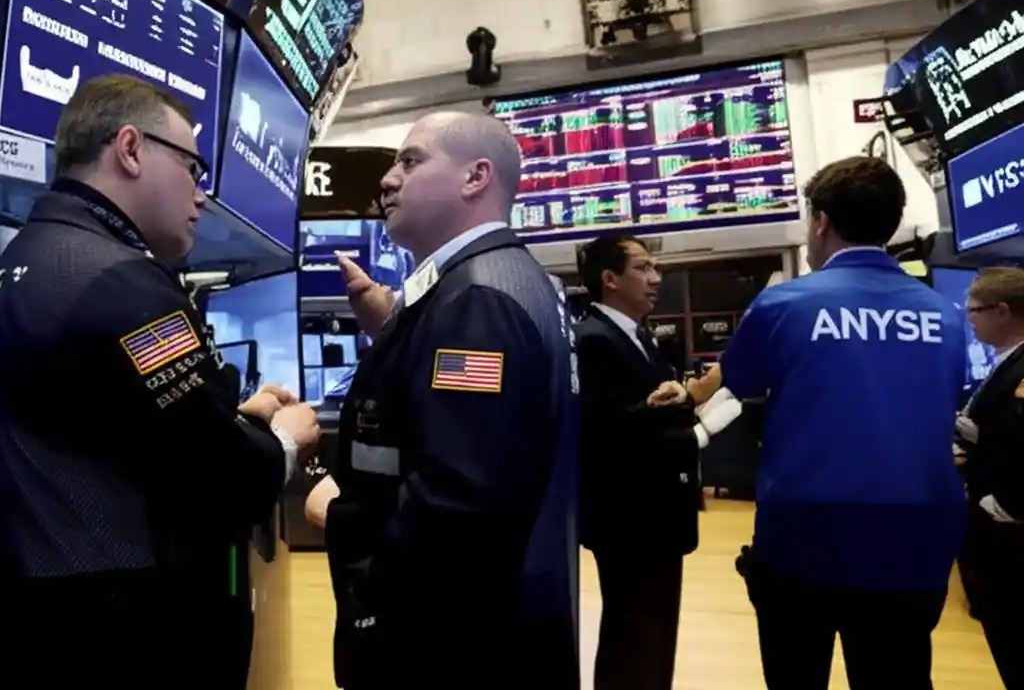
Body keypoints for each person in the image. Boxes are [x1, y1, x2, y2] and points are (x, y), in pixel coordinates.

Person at [0, 74, 320, 684]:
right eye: (193, 169)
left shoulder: (27, 259)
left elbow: (125, 428)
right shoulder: (117, 279)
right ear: (130, 148)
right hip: (126, 632)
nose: (201, 196)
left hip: (41, 616)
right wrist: (282, 437)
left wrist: (239, 415)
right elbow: (222, 474)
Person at [302, 111, 580, 689]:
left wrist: (345, 525)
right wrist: (398, 333)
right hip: (503, 615)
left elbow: (459, 497)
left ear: (475, 177)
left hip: (450, 642)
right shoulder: (507, 277)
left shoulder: (476, 299)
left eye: (410, 160)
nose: (387, 179)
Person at [720, 156, 967, 690]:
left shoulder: (782, 304)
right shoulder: (945, 315)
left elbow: (738, 384)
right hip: (916, 540)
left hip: (802, 538)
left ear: (821, 222)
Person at [573, 235, 742, 690]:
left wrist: (684, 401)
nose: (656, 278)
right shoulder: (593, 341)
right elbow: (612, 434)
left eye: (656, 268)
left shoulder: (636, 334)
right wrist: (700, 433)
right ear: (609, 279)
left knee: (654, 636)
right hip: (630, 520)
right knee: (634, 638)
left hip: (657, 517)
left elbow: (651, 408)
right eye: (643, 268)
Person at [956, 267, 1024, 689]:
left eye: (974, 312)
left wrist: (1003, 506)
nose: (970, 321)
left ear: (1002, 311)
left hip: (1011, 536)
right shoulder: (1007, 362)